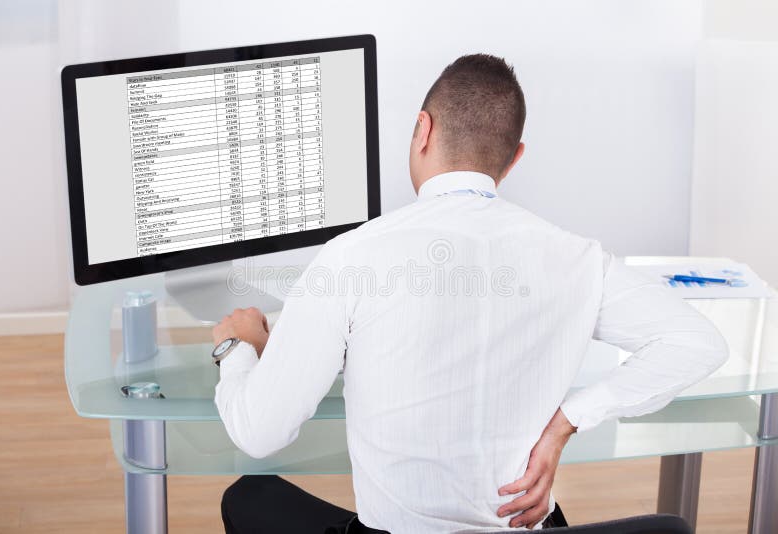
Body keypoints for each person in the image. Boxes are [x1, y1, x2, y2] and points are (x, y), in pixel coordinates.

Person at [212, 54, 728, 533]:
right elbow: (698, 344)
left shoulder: (351, 257)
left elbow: (259, 433)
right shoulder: (578, 259)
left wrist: (236, 349)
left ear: (422, 130)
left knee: (248, 497)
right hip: (523, 525)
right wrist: (567, 422)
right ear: (514, 157)